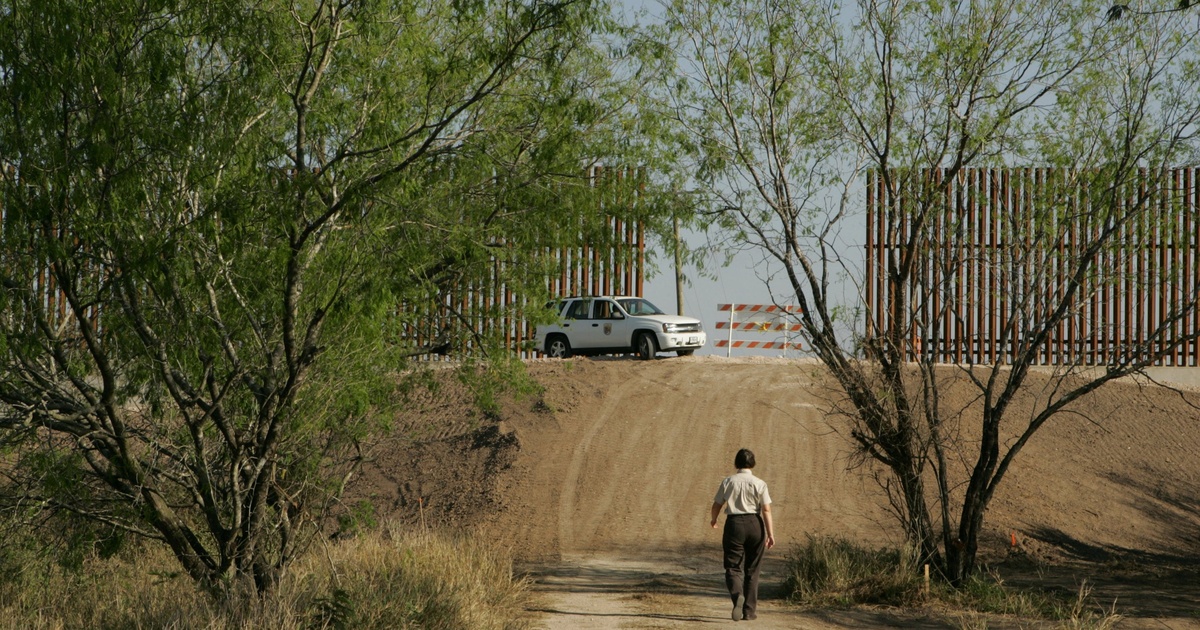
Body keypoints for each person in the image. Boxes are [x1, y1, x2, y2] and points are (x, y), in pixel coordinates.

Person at [710, 448, 775, 622]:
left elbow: (717, 504)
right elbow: (766, 509)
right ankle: (749, 611)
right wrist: (770, 534)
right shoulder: (760, 483)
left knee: (732, 567)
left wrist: (714, 519)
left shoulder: (728, 481)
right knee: (752, 570)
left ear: (736, 463)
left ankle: (737, 595)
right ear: (753, 463)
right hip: (755, 524)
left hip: (734, 525)